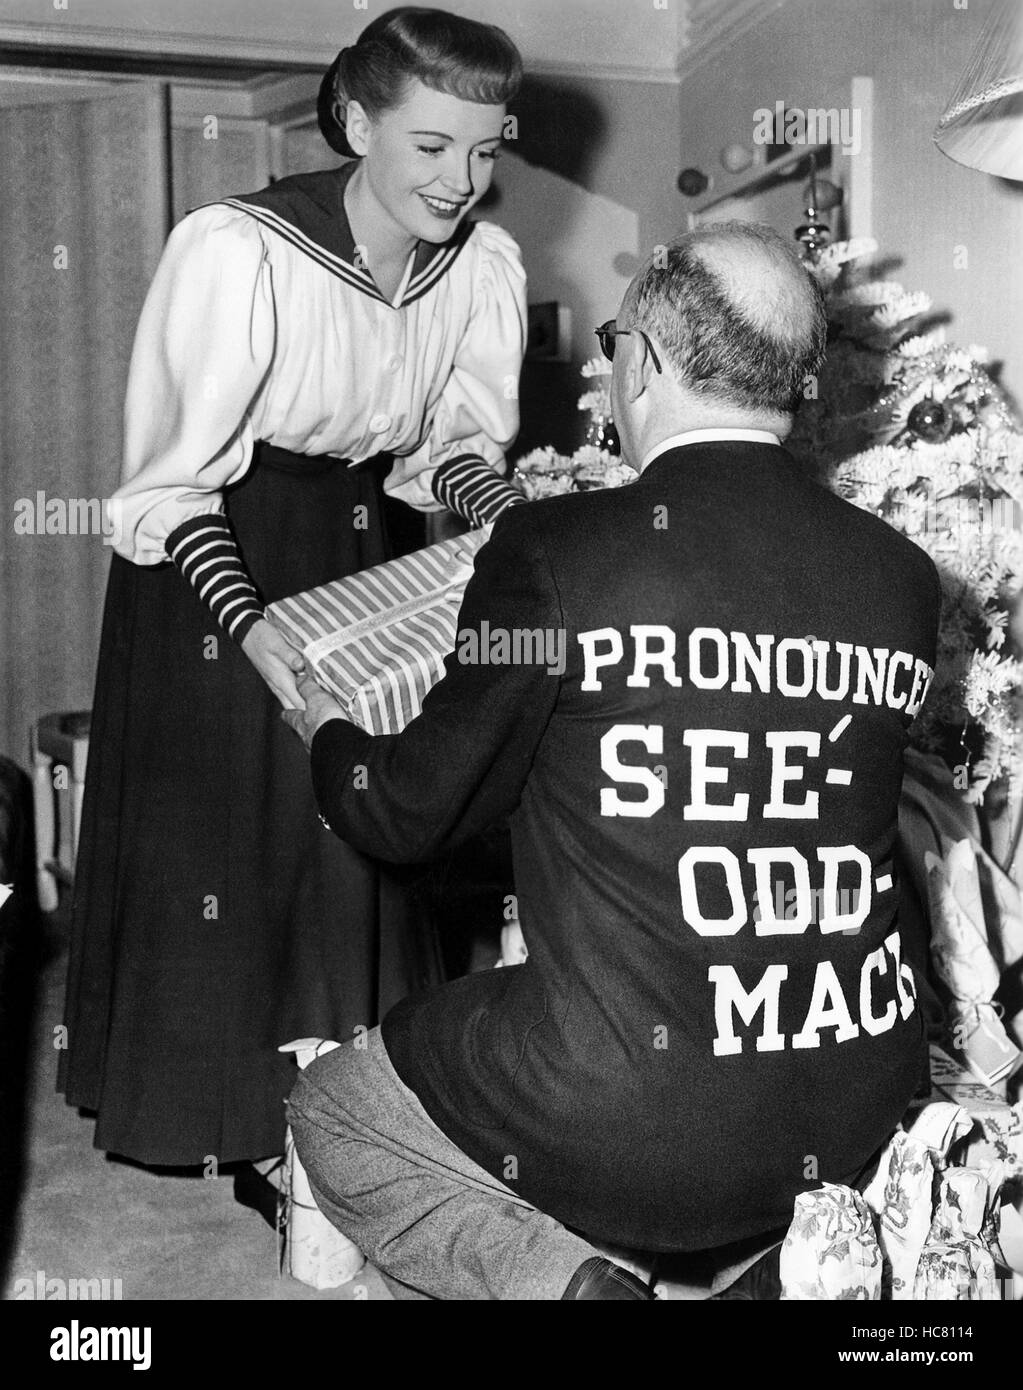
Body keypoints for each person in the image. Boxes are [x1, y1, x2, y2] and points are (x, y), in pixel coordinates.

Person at [284, 221, 942, 1300]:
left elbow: (405, 813)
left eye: (611, 345)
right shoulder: (900, 576)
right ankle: (773, 1266)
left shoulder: (556, 552)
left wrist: (328, 734)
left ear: (641, 361)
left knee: (337, 1109)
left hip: (637, 1124)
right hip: (858, 1097)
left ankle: (571, 1280)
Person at [60, 7, 528, 1173]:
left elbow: (445, 451)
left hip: (361, 549)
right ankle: (223, 1117)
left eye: (484, 150)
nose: (462, 179)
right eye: (432, 145)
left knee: (352, 816)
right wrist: (249, 623)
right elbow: (170, 482)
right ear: (358, 124)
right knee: (230, 834)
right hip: (217, 554)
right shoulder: (238, 249)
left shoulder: (480, 267)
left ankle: (341, 1116)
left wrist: (523, 523)